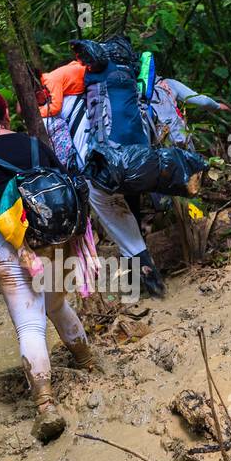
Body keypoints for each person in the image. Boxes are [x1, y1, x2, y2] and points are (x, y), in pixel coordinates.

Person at [0, 89, 92, 443]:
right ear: (6, 117)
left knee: (30, 324)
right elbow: (65, 183)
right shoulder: (33, 144)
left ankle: (46, 404)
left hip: (11, 243)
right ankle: (87, 360)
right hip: (55, 232)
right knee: (57, 303)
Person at [74, 36, 166, 297]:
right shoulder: (130, 76)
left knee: (114, 212)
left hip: (108, 165)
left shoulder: (92, 78)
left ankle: (147, 279)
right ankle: (137, 277)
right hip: (139, 157)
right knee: (132, 210)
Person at [146, 76, 228, 149]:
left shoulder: (137, 94)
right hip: (178, 142)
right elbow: (202, 101)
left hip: (151, 147)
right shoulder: (168, 85)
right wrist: (217, 106)